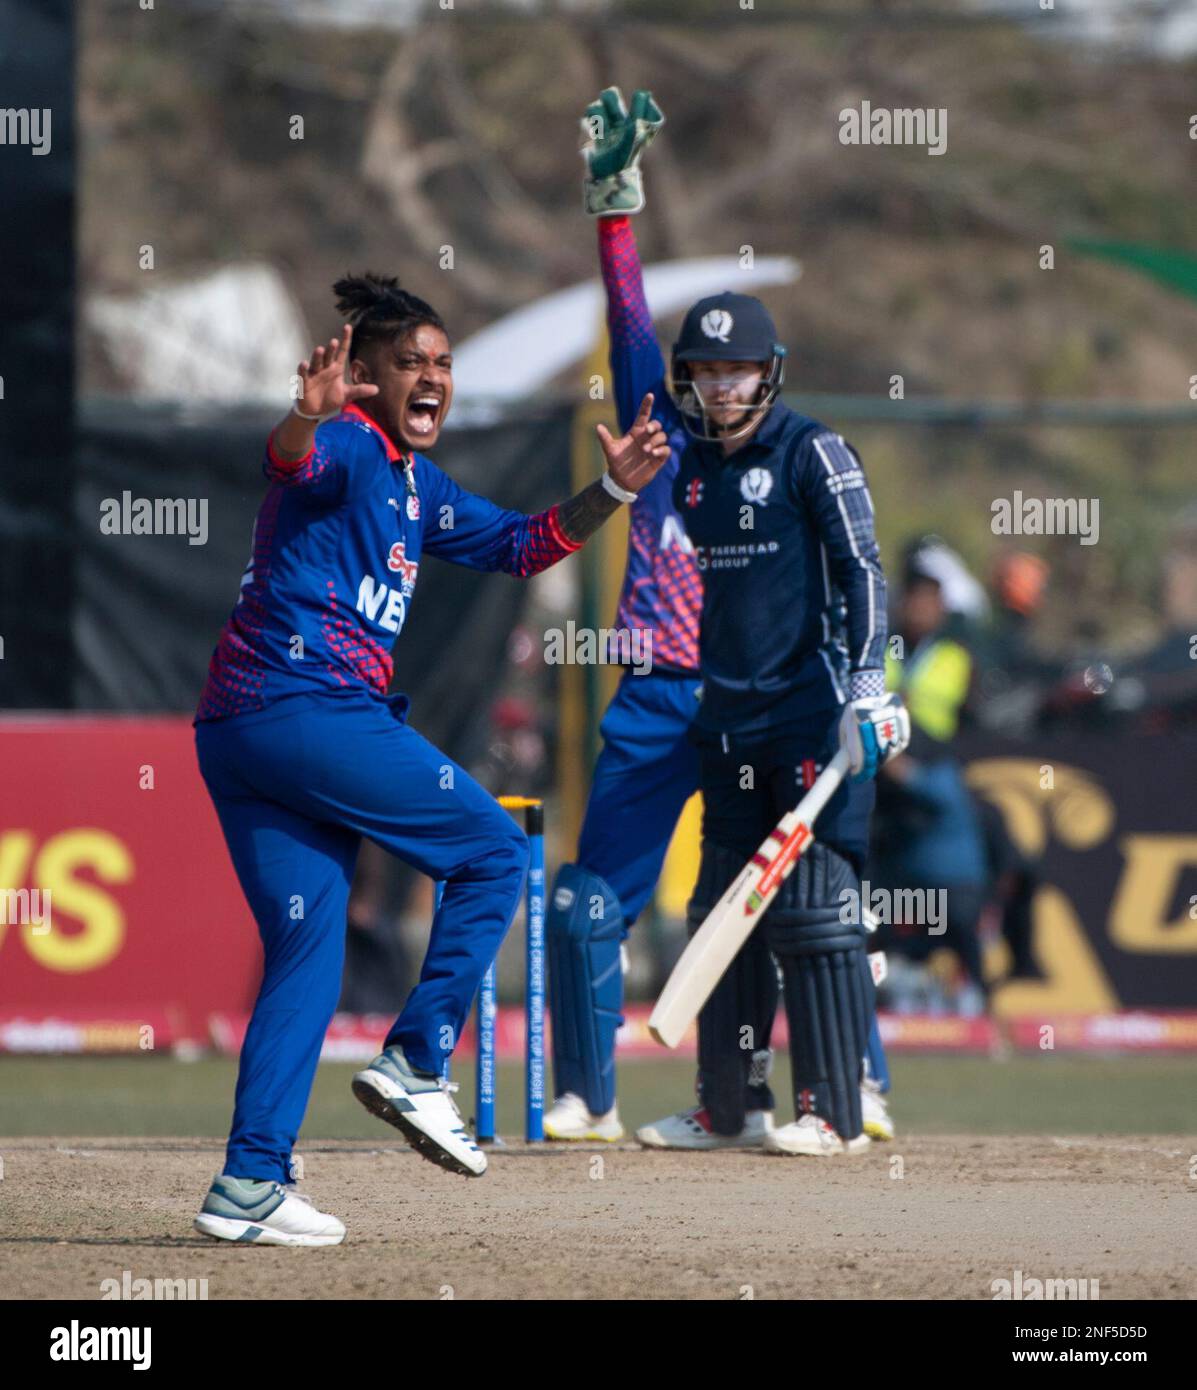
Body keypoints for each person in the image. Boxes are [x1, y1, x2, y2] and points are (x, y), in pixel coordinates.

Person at [191, 274, 669, 1246]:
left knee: (308, 948)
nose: (433, 378)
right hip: (304, 706)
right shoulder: (349, 445)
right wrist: (300, 416)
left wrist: (615, 488)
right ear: (361, 378)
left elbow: (523, 547)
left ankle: (249, 1181)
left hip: (236, 729)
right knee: (495, 853)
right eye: (410, 363)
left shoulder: (419, 484)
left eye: (443, 364)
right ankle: (416, 1061)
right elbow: (293, 461)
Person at [544, 89, 907, 1158]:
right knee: (676, 900)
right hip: (686, 698)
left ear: (768, 371)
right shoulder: (666, 446)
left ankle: (855, 1088)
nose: (713, 387)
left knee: (814, 903)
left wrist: (864, 681)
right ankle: (667, 1097)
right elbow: (625, 330)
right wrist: (616, 211)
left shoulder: (795, 451)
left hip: (786, 699)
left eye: (731, 369)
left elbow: (858, 570)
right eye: (696, 373)